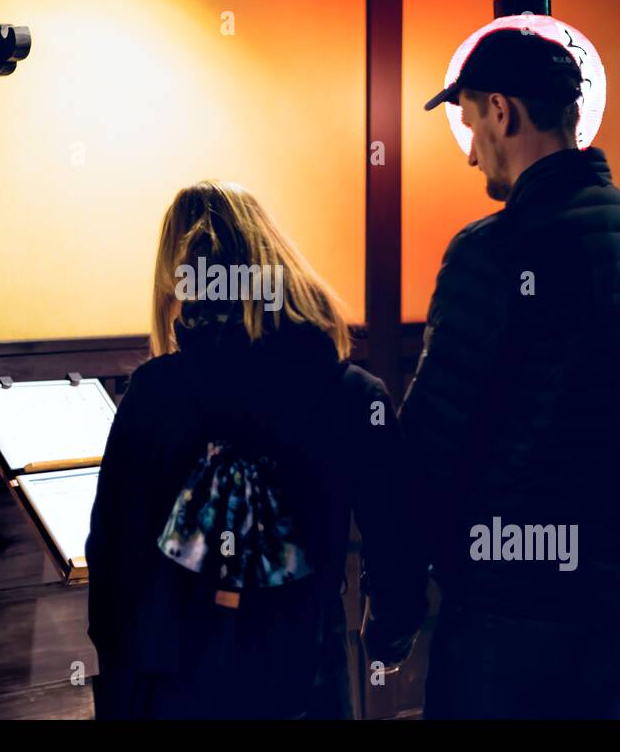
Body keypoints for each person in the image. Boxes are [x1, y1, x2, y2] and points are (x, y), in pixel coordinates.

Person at [402, 28, 620, 719]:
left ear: (502, 112)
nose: (470, 150)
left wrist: (397, 600)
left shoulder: (491, 253)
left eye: (470, 121)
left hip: (506, 607)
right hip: (615, 601)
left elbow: (429, 447)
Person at [86, 180, 426, 719]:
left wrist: (126, 679)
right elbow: (398, 549)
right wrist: (387, 639)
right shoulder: (355, 396)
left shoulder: (153, 394)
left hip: (177, 687)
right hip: (308, 680)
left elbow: (110, 562)